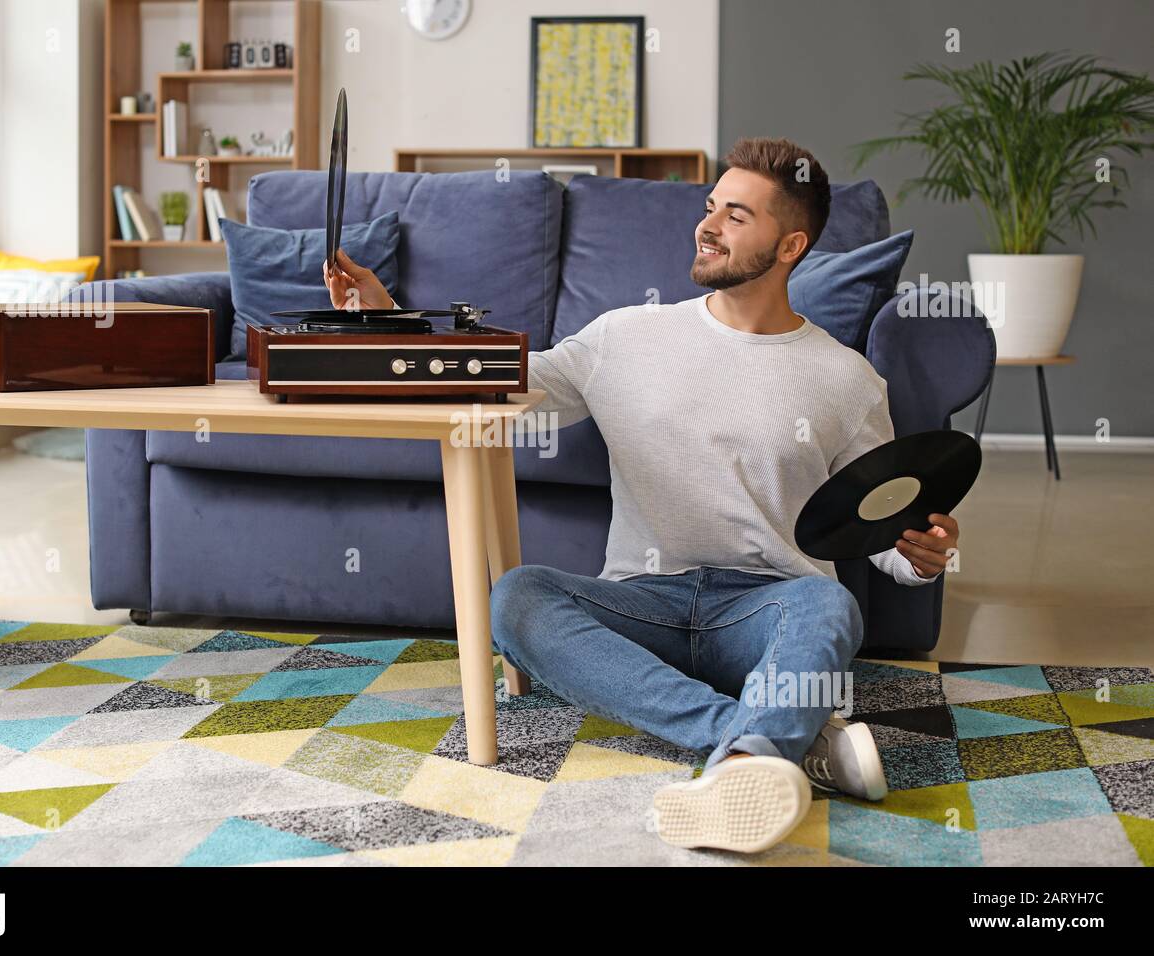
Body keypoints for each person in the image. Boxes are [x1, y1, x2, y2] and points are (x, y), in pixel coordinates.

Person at [323, 137, 960, 854]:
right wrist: (387, 320)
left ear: (790, 245)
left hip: (770, 610)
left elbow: (878, 529)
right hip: (642, 602)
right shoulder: (624, 336)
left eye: (737, 215)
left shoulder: (846, 380)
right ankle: (761, 748)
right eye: (710, 206)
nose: (708, 225)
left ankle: (752, 758)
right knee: (518, 599)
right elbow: (492, 382)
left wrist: (923, 557)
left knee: (829, 603)